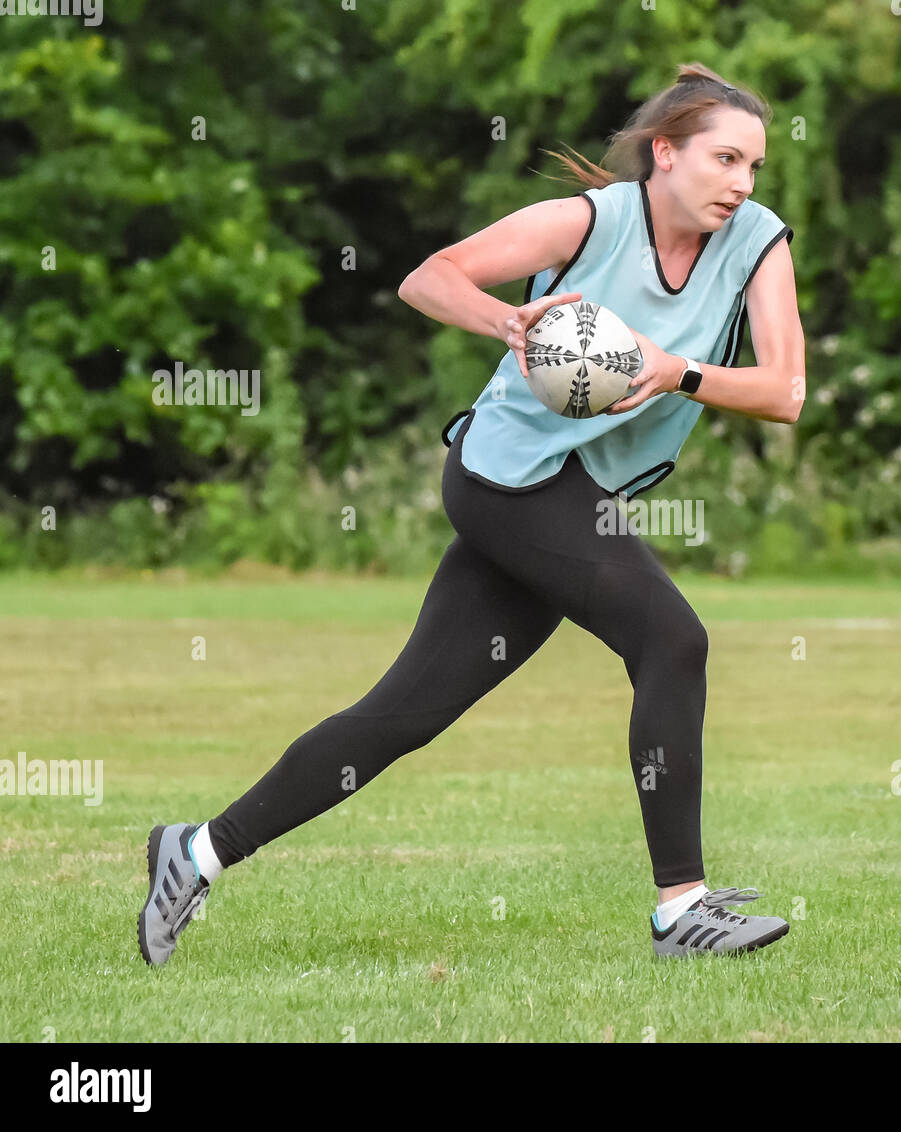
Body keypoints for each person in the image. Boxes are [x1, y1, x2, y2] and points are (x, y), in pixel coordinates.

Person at [138, 62, 805, 966]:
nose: (743, 182)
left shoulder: (757, 241)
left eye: (755, 166)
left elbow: (784, 391)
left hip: (577, 493)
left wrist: (672, 369)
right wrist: (510, 325)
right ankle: (679, 908)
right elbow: (429, 279)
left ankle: (197, 851)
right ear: (663, 154)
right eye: (726, 159)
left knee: (404, 713)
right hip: (506, 479)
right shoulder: (589, 220)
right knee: (672, 639)